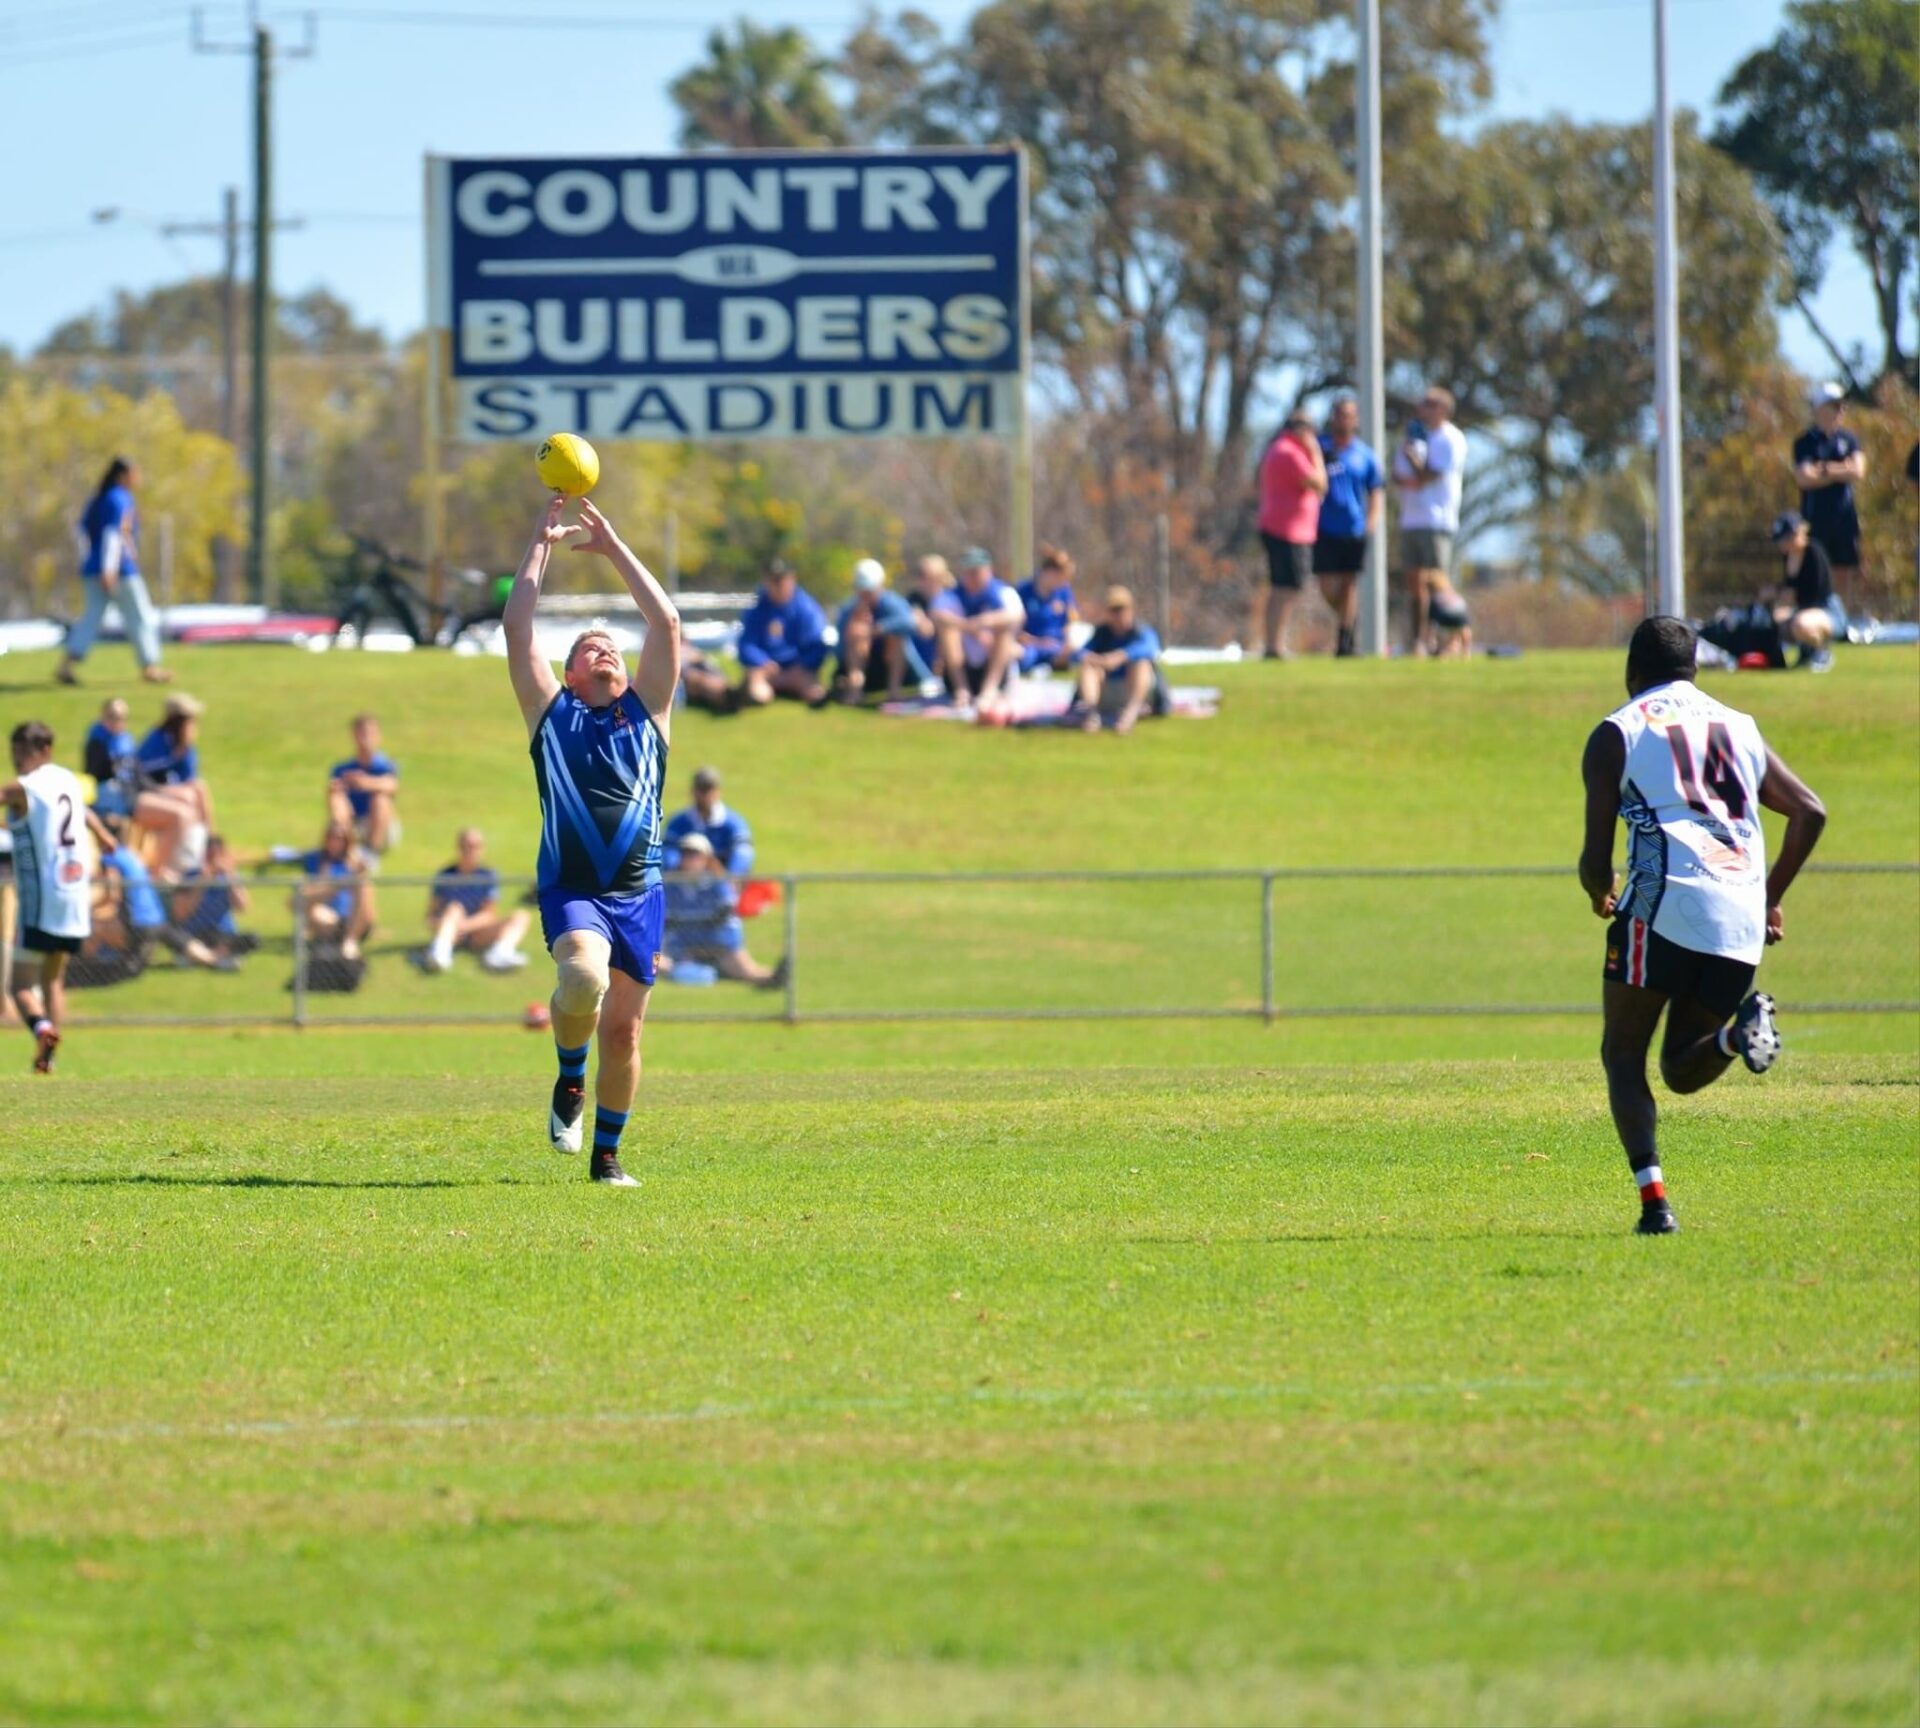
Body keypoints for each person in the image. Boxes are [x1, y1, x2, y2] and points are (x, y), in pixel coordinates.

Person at [1579, 616, 1826, 1235]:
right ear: (1693, 668)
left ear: (1632, 671)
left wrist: (1599, 890)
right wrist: (1768, 897)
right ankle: (1738, 1036)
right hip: (1738, 916)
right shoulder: (1739, 726)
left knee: (1623, 1054)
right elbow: (1809, 812)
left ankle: (1655, 1206)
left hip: (1664, 904)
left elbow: (1593, 858)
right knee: (1681, 1068)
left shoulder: (1619, 730)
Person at [505, 494, 680, 1188]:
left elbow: (665, 622)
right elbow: (518, 627)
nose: (603, 648)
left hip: (640, 894)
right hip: (574, 888)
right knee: (582, 977)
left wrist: (613, 550)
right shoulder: (551, 715)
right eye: (587, 648)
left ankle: (607, 1159)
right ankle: (569, 1076)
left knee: (625, 1032)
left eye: (612, 647)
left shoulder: (650, 710)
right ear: (570, 674)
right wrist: (541, 543)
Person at [4, 721, 93, 1072]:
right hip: (74, 897)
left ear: (43, 751)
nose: (18, 760)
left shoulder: (25, 787)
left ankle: (41, 1029)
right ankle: (48, 1059)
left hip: (41, 902)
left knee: (19, 985)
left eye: (22, 753)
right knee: (53, 980)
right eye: (14, 753)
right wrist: (107, 837)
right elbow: (84, 814)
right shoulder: (66, 780)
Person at [54, 458, 171, 688]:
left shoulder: (98, 498)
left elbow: (82, 532)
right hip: (119, 570)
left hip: (93, 568)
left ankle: (66, 666)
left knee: (91, 618)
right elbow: (113, 534)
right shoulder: (119, 498)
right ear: (123, 475)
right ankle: (150, 667)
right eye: (135, 473)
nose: (138, 478)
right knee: (139, 616)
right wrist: (108, 569)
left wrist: (91, 562)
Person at [1393, 386, 1468, 654]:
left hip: (1437, 519)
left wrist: (1414, 462)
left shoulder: (1450, 438)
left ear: (1443, 409)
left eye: (1430, 403)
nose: (1422, 407)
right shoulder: (1416, 438)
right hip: (1410, 518)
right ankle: (1421, 642)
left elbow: (1427, 477)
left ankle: (1458, 634)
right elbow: (1398, 477)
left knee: (1437, 581)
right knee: (1415, 584)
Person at [1314, 395, 1386, 657]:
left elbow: (1376, 490)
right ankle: (1348, 619)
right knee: (1326, 587)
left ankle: (1345, 641)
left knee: (1349, 584)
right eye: (1339, 414)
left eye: (1348, 415)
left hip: (1353, 528)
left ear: (1355, 419)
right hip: (1323, 527)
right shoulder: (1320, 448)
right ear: (1333, 417)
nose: (1343, 420)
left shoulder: (1365, 455)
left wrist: (1371, 521)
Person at [663, 832, 783, 987]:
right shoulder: (670, 884)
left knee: (746, 968)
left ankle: (771, 978)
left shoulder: (717, 883)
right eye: (686, 854)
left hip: (717, 946)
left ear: (706, 858)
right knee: (655, 961)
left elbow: (727, 910)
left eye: (695, 854)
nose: (690, 859)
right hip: (681, 948)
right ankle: (687, 974)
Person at [1256, 410, 1328, 659]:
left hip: (1286, 528)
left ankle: (1274, 644)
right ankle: (1274, 645)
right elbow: (1320, 483)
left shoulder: (1280, 448)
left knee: (1283, 587)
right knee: (1286, 588)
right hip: (1287, 530)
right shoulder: (1289, 452)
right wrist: (1315, 453)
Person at [1792, 383, 1865, 608]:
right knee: (1816, 572)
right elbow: (1804, 477)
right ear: (1820, 408)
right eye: (1835, 405)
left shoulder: (1849, 439)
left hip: (1844, 519)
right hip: (1815, 520)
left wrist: (1823, 469)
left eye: (1842, 405)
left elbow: (1858, 470)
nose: (1841, 410)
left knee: (1844, 571)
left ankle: (1841, 619)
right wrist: (1841, 470)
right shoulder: (1805, 442)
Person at [420, 828, 529, 974]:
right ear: (459, 848)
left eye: (475, 846)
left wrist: (465, 926)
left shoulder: (487, 875)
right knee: (455, 908)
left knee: (521, 916)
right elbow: (430, 916)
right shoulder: (446, 875)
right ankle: (440, 954)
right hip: (451, 932)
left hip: (477, 931)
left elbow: (489, 914)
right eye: (466, 846)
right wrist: (445, 924)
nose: (470, 851)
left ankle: (500, 953)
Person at [131, 693, 214, 876]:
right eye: (190, 719)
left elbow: (189, 779)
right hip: (144, 793)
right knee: (184, 809)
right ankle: (161, 869)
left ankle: (208, 848)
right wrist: (170, 790)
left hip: (165, 791)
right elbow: (141, 778)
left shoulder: (184, 745)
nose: (194, 723)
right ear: (178, 720)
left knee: (199, 789)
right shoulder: (156, 741)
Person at [1070, 586, 1167, 735]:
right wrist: (1097, 660)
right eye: (1113, 611)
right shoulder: (1102, 633)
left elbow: (1151, 648)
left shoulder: (1141, 631)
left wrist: (1121, 656)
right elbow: (1079, 654)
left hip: (1133, 691)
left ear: (1131, 610)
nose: (1118, 615)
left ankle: (1129, 715)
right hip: (1107, 691)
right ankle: (1092, 715)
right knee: (1089, 667)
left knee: (1142, 664)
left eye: (1122, 610)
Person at [735, 558, 829, 708]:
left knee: (814, 692)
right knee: (758, 693)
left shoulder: (806, 608)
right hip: (766, 670)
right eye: (773, 580)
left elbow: (816, 645)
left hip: (798, 669)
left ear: (792, 579)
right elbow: (746, 644)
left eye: (781, 580)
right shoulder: (756, 608)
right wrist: (762, 661)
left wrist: (803, 664)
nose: (777, 585)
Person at [937, 547, 1024, 707]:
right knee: (949, 632)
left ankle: (989, 690)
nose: (972, 576)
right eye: (969, 571)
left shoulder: (1002, 592)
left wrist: (986, 621)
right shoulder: (952, 596)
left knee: (1004, 630)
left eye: (976, 571)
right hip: (963, 667)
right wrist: (970, 627)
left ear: (988, 570)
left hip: (992, 665)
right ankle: (961, 689)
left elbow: (1017, 615)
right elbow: (938, 616)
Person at [833, 559, 921, 704]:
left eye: (870, 590)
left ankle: (894, 691)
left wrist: (874, 630)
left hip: (890, 667)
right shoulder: (849, 608)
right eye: (863, 590)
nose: (866, 595)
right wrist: (856, 630)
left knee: (896, 637)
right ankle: (855, 690)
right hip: (861, 667)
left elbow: (908, 622)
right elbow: (839, 647)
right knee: (856, 632)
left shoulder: (891, 603)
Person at [1767, 512, 1837, 672]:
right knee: (1778, 621)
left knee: (1800, 623)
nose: (1782, 545)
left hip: (1827, 612)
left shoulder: (1814, 552)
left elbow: (1813, 595)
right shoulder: (1789, 558)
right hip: (1804, 611)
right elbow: (1789, 588)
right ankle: (1805, 654)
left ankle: (1822, 653)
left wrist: (1783, 599)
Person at [169, 834, 253, 968]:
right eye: (209, 856)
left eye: (217, 856)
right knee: (177, 937)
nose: (214, 861)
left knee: (252, 939)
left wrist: (230, 878)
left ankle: (206, 957)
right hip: (195, 933)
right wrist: (202, 883)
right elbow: (180, 913)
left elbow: (242, 906)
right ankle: (216, 958)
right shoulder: (189, 876)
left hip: (222, 934)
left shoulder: (230, 878)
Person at [298, 821, 376, 961]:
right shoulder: (318, 861)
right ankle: (329, 938)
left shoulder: (355, 862)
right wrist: (334, 886)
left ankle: (351, 940)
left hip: (356, 918)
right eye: (332, 837)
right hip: (332, 918)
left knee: (362, 883)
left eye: (340, 838)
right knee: (309, 902)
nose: (335, 842)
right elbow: (300, 897)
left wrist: (353, 876)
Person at [327, 714, 401, 857]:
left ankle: (372, 853)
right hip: (353, 822)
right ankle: (345, 849)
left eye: (370, 733)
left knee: (381, 798)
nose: (365, 738)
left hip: (380, 826)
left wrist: (364, 783)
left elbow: (392, 785)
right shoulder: (342, 769)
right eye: (362, 733)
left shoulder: (386, 766)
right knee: (337, 796)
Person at [663, 766, 755, 876]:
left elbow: (742, 855)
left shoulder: (734, 824)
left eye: (710, 790)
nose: (706, 795)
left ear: (718, 792)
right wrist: (678, 868)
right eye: (701, 790)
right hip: (684, 879)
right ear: (693, 791)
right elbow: (667, 852)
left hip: (719, 880)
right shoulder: (678, 822)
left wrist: (729, 877)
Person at [1017, 546, 1079, 673]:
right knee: (1025, 659)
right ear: (1050, 572)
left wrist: (1068, 643)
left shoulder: (1064, 592)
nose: (1063, 582)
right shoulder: (1023, 591)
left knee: (1080, 656)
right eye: (1061, 577)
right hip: (1031, 646)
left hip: (1057, 645)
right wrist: (1038, 642)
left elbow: (1069, 621)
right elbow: (1016, 629)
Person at [903, 554, 957, 690]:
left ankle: (940, 677)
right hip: (923, 649)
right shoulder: (914, 598)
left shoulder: (951, 596)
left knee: (947, 632)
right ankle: (927, 678)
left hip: (947, 649)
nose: (921, 580)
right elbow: (921, 625)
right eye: (920, 575)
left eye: (925, 575)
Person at [83, 697, 138, 819]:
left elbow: (136, 768)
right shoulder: (97, 741)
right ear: (103, 717)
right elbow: (94, 773)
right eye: (111, 716)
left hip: (126, 785)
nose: (116, 721)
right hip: (103, 787)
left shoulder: (125, 739)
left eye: (121, 717)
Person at [1426, 572, 1473, 659]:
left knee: (1446, 632)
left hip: (1444, 616)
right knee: (1461, 630)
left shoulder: (1435, 597)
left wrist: (1430, 637)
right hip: (1460, 615)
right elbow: (1463, 608)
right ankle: (1466, 650)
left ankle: (1444, 650)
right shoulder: (1454, 594)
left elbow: (1431, 619)